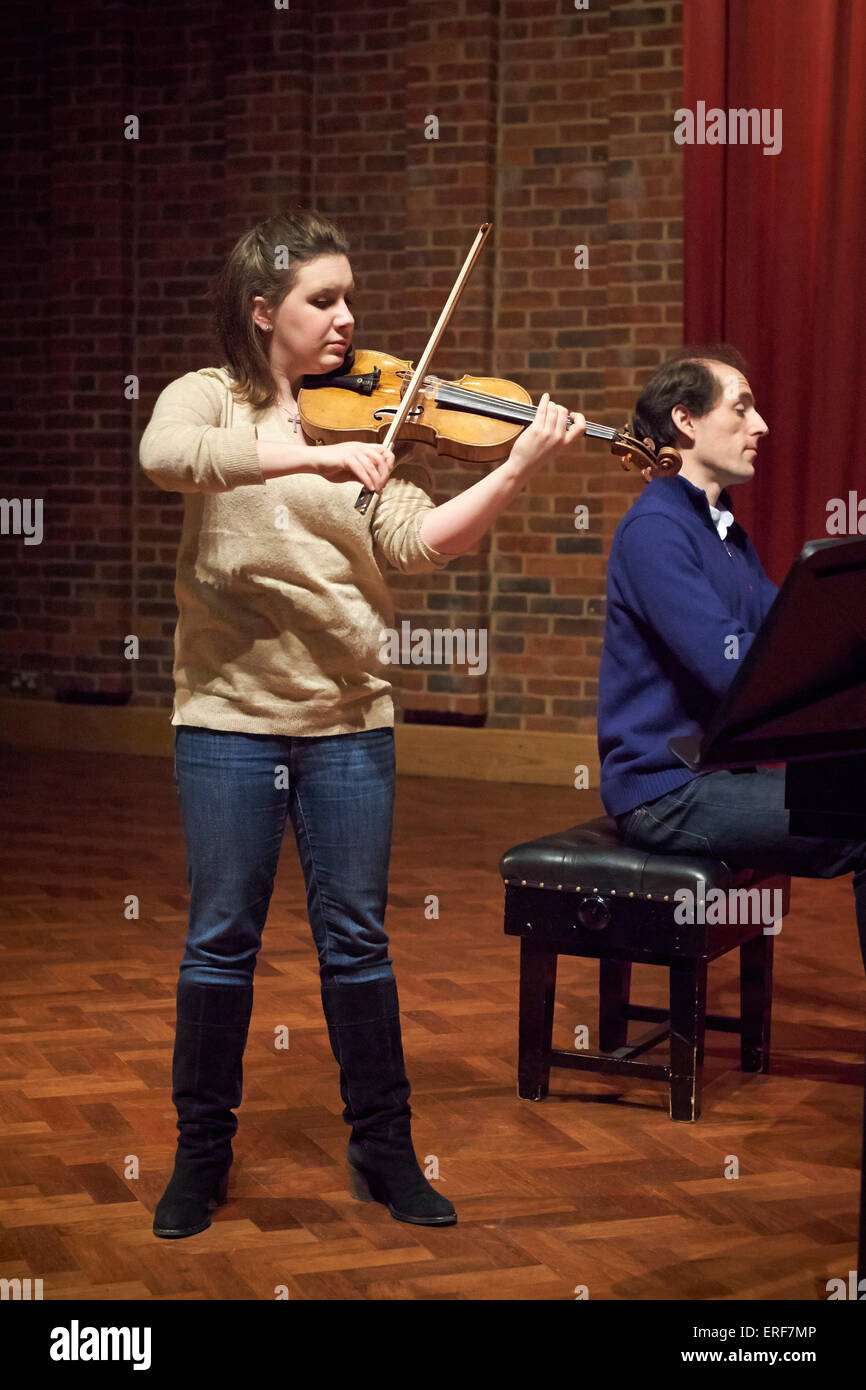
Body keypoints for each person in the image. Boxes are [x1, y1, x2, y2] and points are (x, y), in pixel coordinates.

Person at [139, 207, 586, 1238]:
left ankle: (383, 1146)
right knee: (219, 942)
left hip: (349, 721)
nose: (345, 318)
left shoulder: (371, 415)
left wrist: (513, 468)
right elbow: (169, 457)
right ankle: (199, 1154)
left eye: (349, 299)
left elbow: (418, 540)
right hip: (228, 721)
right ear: (264, 312)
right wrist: (307, 462)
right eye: (321, 300)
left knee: (357, 941)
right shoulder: (211, 399)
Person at [597, 345, 866, 966]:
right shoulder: (656, 530)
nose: (761, 425)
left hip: (715, 776)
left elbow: (792, 633)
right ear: (686, 421)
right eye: (740, 408)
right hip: (666, 791)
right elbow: (736, 670)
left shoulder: (723, 531)